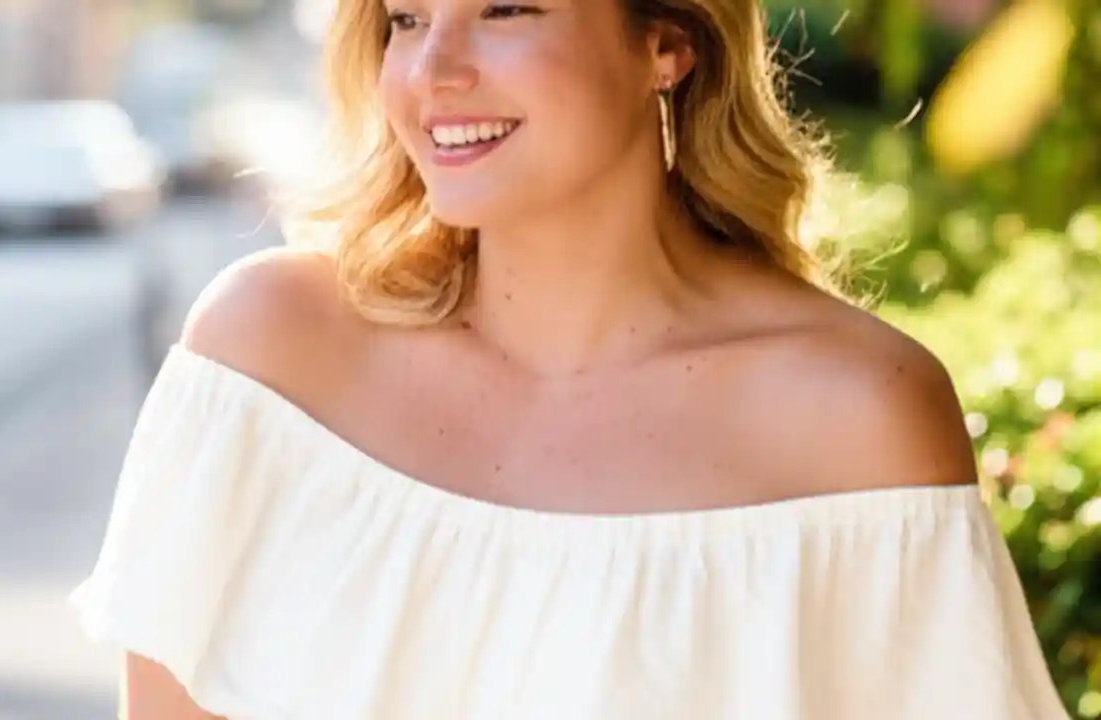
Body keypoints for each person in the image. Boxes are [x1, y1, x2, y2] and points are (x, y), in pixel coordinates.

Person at [68, 0, 1073, 717]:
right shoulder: (268, 359)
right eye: (405, 20)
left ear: (666, 43)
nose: (432, 74)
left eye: (505, 11)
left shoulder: (853, 415)